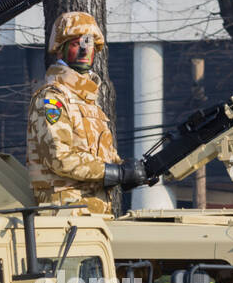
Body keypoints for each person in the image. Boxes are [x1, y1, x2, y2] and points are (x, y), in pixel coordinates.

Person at [26, 12, 146, 215]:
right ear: (60, 50)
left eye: (89, 42)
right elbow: (59, 157)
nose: (84, 49)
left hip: (93, 212)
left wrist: (131, 170)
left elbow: (101, 157)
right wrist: (115, 173)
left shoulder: (88, 102)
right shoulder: (52, 98)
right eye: (76, 43)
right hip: (65, 214)